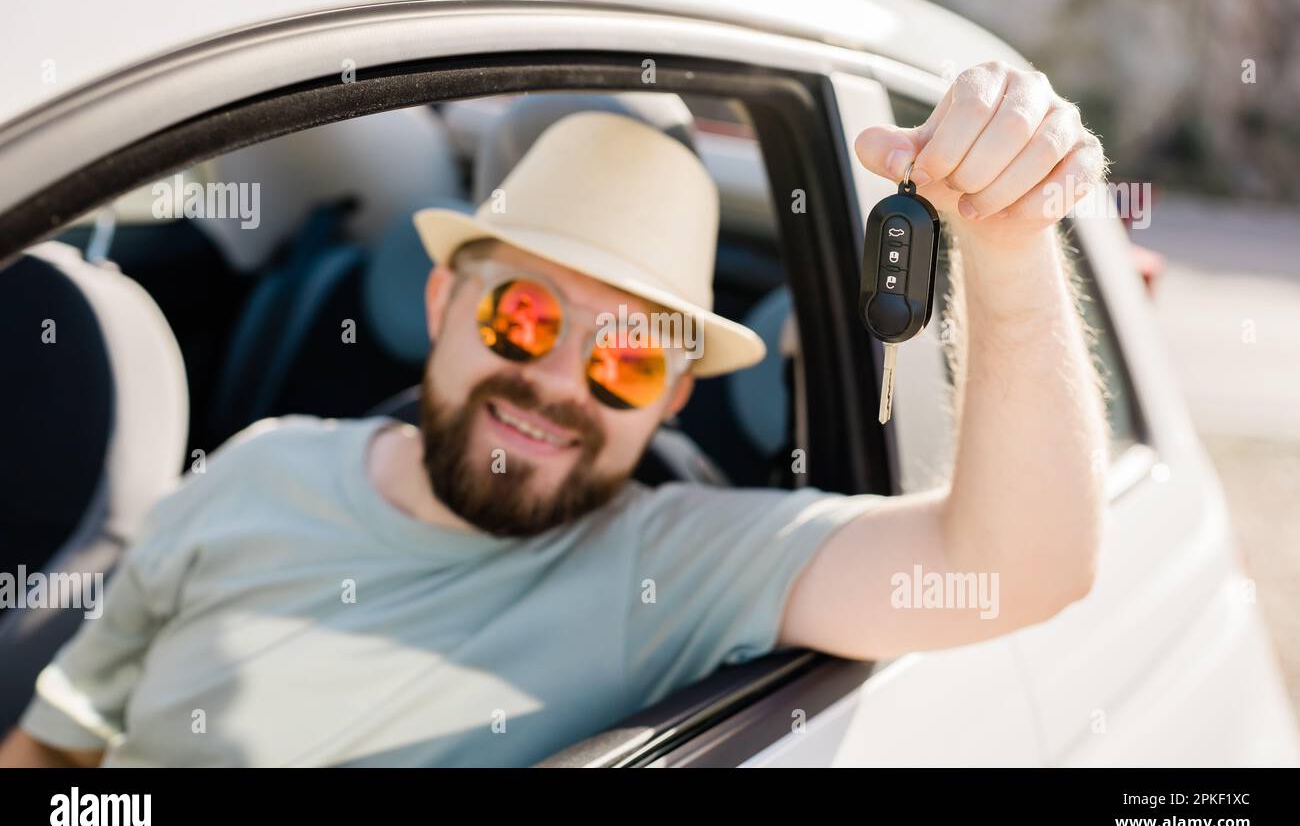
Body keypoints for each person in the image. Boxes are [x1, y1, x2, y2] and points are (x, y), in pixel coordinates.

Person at [0, 62, 1107, 767]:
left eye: (629, 356)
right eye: (524, 316)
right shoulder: (253, 468)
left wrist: (1005, 247)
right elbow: (59, 748)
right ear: (442, 302)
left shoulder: (672, 564)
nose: (560, 383)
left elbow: (1019, 563)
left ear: (674, 396)